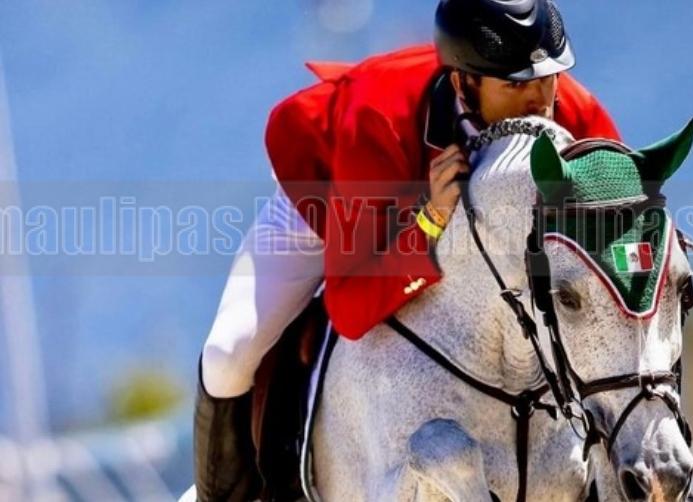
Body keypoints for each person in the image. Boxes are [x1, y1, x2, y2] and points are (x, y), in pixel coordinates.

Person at [193, 0, 622, 500]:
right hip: (332, 192)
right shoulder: (375, 114)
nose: (539, 100)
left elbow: (624, 226)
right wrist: (431, 221)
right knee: (231, 351)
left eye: (546, 77)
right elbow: (350, 308)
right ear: (463, 83)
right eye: (515, 85)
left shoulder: (571, 109)